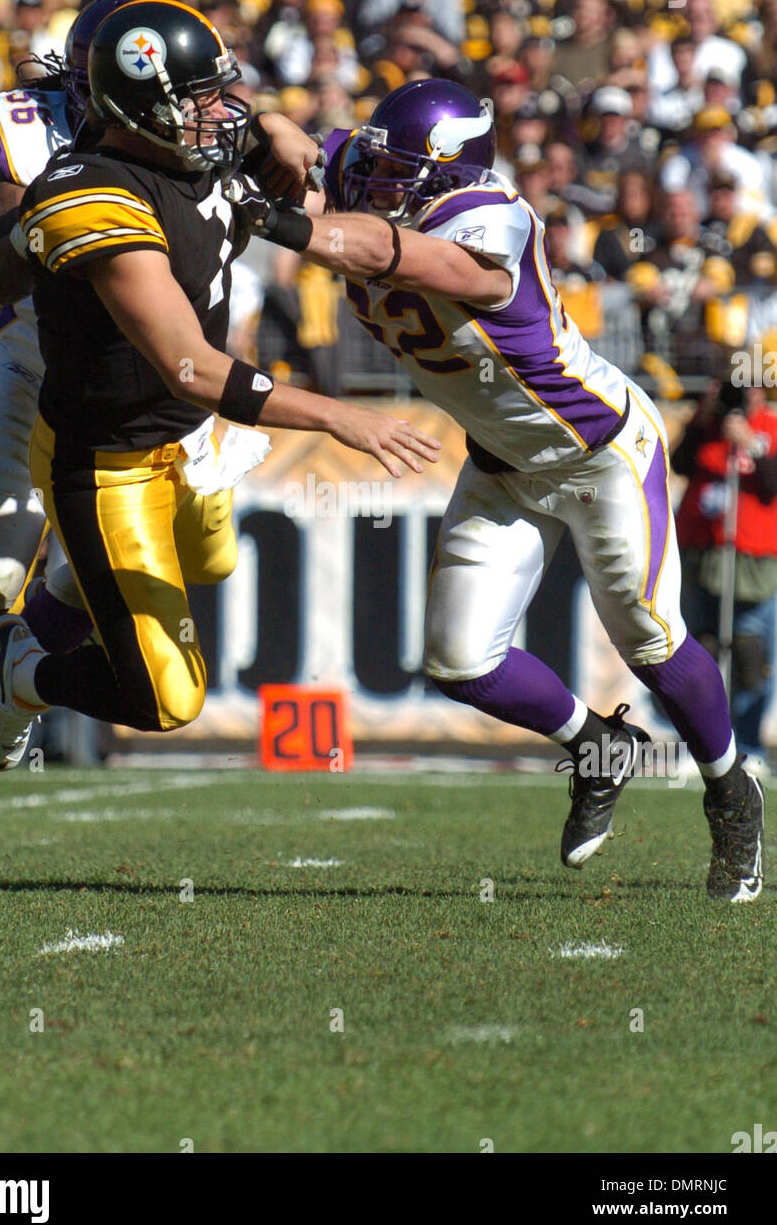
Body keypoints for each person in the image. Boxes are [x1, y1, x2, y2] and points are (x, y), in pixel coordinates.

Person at [227, 77, 765, 903]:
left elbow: (397, 257)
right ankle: (596, 745)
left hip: (599, 450)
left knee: (650, 643)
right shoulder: (375, 173)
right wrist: (271, 128)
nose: (374, 181)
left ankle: (730, 790)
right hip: (503, 460)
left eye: (399, 171)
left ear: (446, 175)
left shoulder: (490, 219)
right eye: (377, 164)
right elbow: (297, 138)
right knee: (457, 659)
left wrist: (281, 221)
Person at [0, 0, 438, 892]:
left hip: (194, 437)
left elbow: (286, 163)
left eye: (227, 97)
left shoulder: (192, 141)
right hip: (114, 459)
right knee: (167, 700)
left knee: (213, 561)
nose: (228, 114)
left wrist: (281, 125)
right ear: (146, 111)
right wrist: (343, 416)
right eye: (205, 100)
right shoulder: (86, 195)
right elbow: (188, 366)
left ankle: (66, 594)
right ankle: (21, 669)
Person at [674, 377, 777, 775]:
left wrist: (749, 441)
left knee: (750, 653)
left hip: (753, 555)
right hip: (703, 547)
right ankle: (702, 746)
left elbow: (771, 485)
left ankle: (748, 744)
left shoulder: (769, 426)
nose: (741, 395)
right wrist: (702, 418)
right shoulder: (707, 427)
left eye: (750, 387)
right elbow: (679, 464)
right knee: (700, 649)